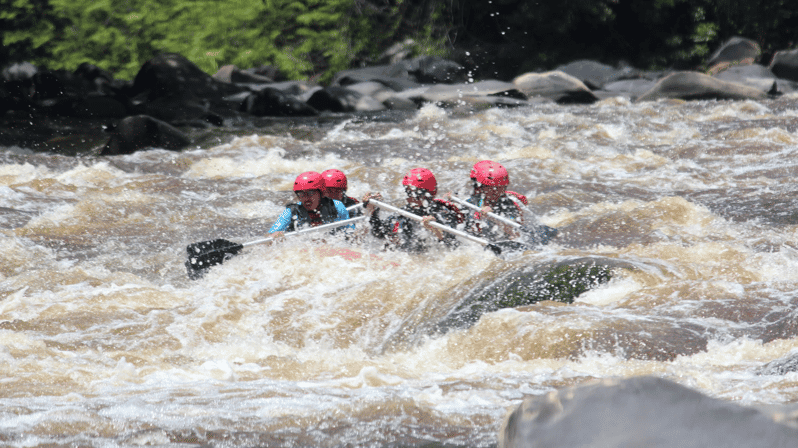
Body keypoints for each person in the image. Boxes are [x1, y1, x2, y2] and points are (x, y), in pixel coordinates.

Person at [362, 167, 464, 253]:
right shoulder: (404, 212)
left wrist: (436, 230)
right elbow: (379, 233)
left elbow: (454, 247)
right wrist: (373, 210)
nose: (410, 198)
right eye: (408, 192)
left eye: (416, 194)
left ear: (429, 193)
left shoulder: (443, 213)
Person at [268, 171, 352, 239]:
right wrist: (275, 234)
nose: (306, 197)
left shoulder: (336, 206)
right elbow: (270, 234)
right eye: (301, 193)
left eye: (311, 193)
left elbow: (349, 232)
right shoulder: (292, 211)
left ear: (321, 193)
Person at [461, 160, 526, 239]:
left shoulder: (509, 204)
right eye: (491, 188)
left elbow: (514, 233)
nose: (497, 191)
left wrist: (492, 217)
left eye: (501, 187)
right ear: (480, 186)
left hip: (501, 241)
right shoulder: (471, 202)